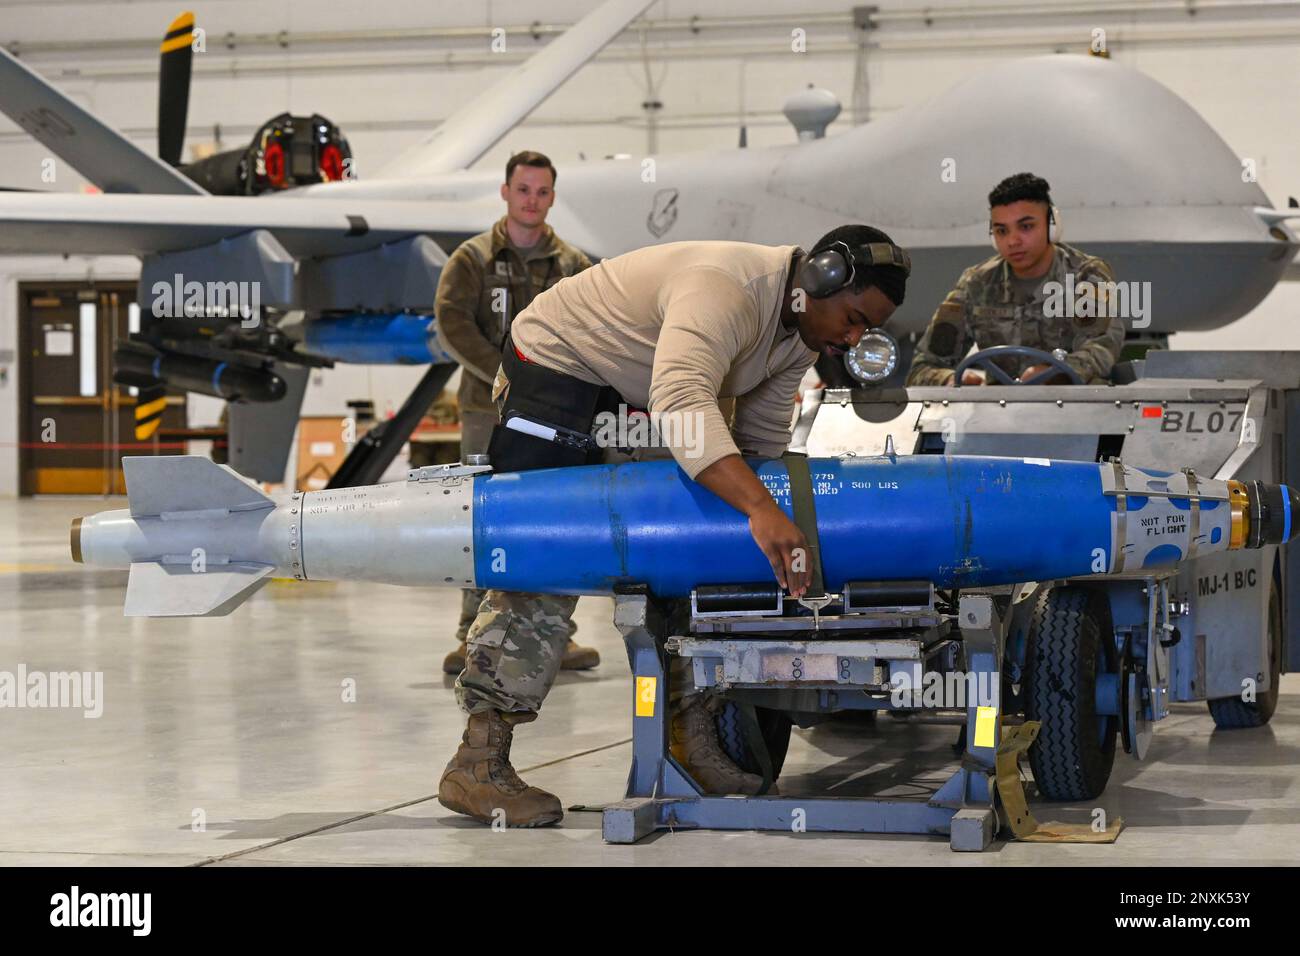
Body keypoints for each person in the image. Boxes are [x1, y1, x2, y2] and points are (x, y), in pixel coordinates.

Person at [437, 226, 910, 827]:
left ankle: (686, 740)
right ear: (818, 279)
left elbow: (757, 441)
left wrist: (761, 508)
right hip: (557, 366)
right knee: (547, 560)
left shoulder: (800, 337)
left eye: (868, 329)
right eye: (853, 317)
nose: (854, 337)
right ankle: (478, 761)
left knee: (689, 550)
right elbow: (683, 403)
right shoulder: (727, 288)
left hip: (638, 390)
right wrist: (762, 510)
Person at [434, 150, 600, 675]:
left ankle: (554, 637)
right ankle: (471, 638)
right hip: (488, 410)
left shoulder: (573, 265)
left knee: (555, 518)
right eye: (523, 190)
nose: (532, 200)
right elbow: (453, 324)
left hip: (558, 417)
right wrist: (506, 372)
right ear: (506, 192)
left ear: (552, 196)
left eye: (543, 192)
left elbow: (594, 327)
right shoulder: (472, 261)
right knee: (479, 517)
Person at [907, 172, 1122, 387]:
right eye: (1001, 230)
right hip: (998, 416)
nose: (1012, 241)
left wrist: (1056, 373)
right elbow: (924, 366)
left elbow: (1101, 349)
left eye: (1026, 227)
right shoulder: (975, 284)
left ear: (1052, 227)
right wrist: (951, 380)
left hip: (1075, 409)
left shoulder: (1087, 276)